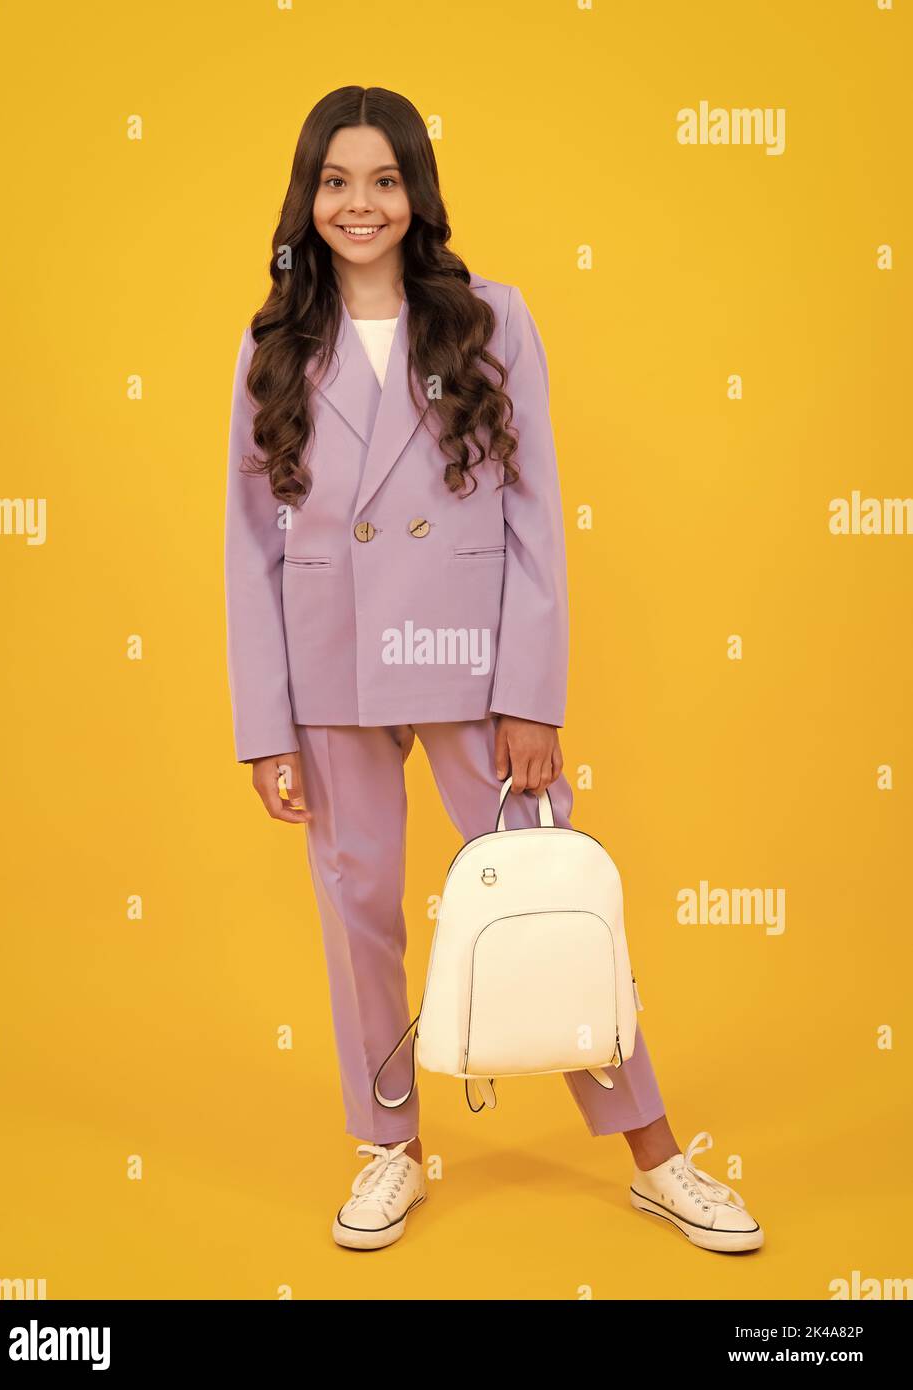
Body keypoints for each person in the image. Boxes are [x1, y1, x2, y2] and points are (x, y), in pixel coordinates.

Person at [224, 85, 763, 1255]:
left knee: (549, 901)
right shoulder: (276, 348)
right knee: (359, 915)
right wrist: (265, 723)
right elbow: (248, 540)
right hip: (330, 677)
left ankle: (656, 1153)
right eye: (335, 181)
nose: (359, 204)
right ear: (307, 196)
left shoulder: (490, 318)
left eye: (382, 179)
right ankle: (392, 1149)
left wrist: (531, 692)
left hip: (471, 665)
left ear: (416, 192)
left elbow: (536, 515)